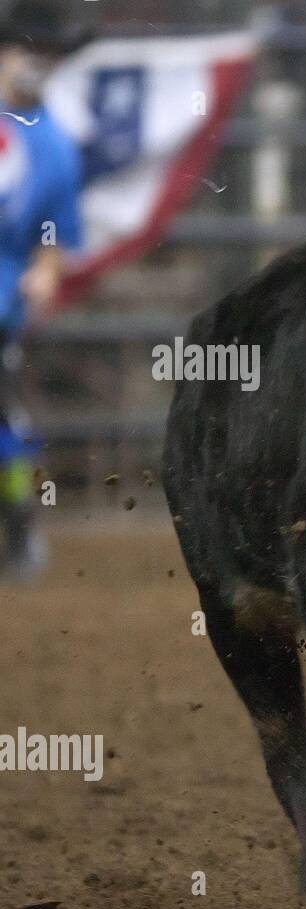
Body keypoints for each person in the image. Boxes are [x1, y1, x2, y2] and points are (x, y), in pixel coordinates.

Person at [0, 1, 85, 579]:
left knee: (7, 420)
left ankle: (21, 526)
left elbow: (55, 240)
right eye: (24, 48)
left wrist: (45, 273)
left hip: (2, 300)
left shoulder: (54, 145)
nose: (34, 62)